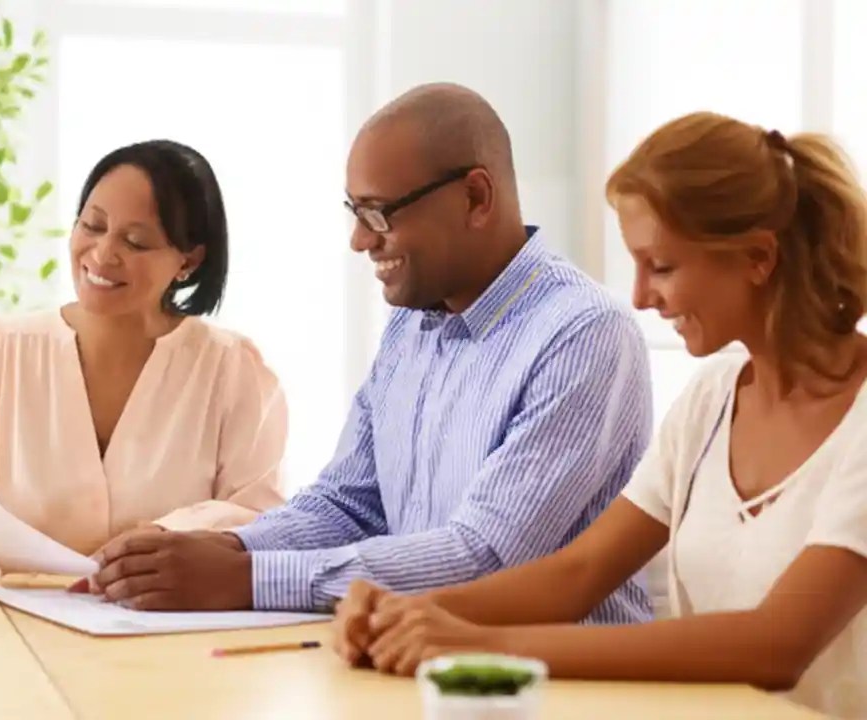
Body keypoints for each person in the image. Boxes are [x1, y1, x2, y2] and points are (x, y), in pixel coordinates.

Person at [331, 112, 867, 719]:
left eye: (661, 266)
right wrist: (414, 610)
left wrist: (487, 644)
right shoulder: (712, 398)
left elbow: (778, 645)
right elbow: (579, 571)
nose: (638, 297)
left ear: (758, 259)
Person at [82, 83, 654, 618]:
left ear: (476, 197)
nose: (359, 240)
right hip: (424, 666)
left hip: (562, 688)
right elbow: (350, 504)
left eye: (379, 213)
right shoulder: (411, 325)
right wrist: (215, 549)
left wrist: (244, 577)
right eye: (354, 212)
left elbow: (486, 556)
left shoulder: (583, 335)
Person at [0, 140, 287, 591]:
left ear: (189, 259)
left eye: (136, 241)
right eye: (93, 225)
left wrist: (169, 535)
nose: (102, 255)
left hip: (168, 632)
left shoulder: (234, 370)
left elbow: (260, 516)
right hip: (13, 630)